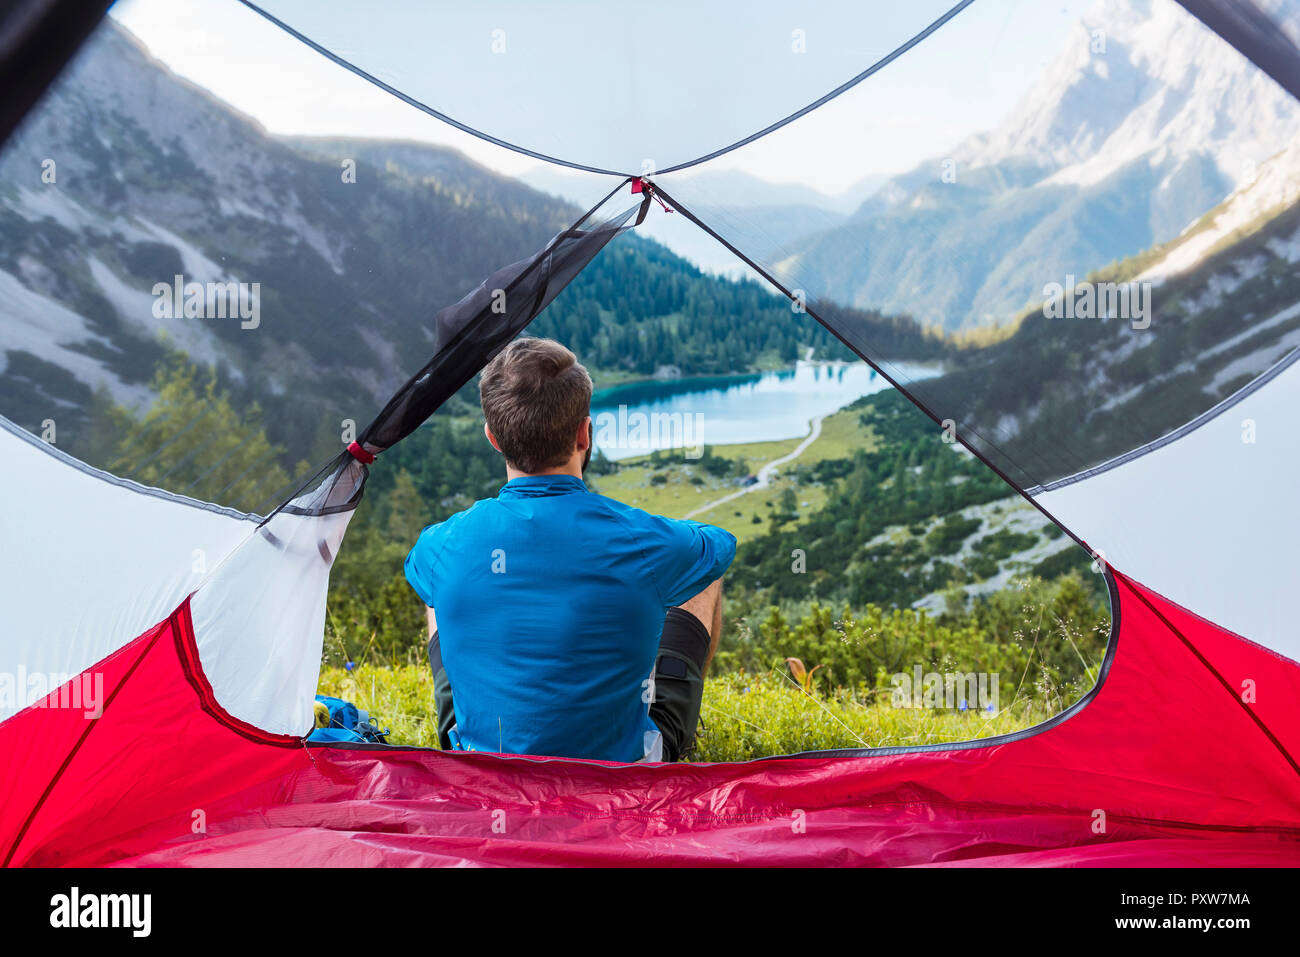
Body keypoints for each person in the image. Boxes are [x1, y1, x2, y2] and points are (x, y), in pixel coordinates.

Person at [404, 337, 736, 763]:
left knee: (438, 586)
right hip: (619, 772)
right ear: (584, 432)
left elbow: (417, 566)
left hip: (481, 761)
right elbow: (721, 546)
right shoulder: (641, 539)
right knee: (700, 579)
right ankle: (672, 730)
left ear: (493, 437)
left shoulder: (443, 541)